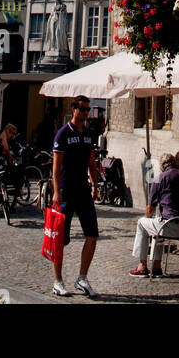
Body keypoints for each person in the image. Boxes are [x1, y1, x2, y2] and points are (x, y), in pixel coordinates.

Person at [51, 96, 99, 298]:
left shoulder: (88, 134)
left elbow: (91, 161)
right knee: (60, 238)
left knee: (92, 233)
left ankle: (82, 277)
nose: (86, 113)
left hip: (83, 190)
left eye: (88, 109)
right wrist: (56, 191)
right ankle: (58, 281)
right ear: (74, 109)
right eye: (82, 109)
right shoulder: (63, 134)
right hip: (65, 191)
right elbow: (56, 167)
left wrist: (95, 184)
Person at [129, 150, 179, 277]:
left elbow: (150, 208)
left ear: (162, 167)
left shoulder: (160, 178)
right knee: (159, 223)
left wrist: (147, 216)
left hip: (171, 225)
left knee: (142, 224)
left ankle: (142, 266)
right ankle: (156, 267)